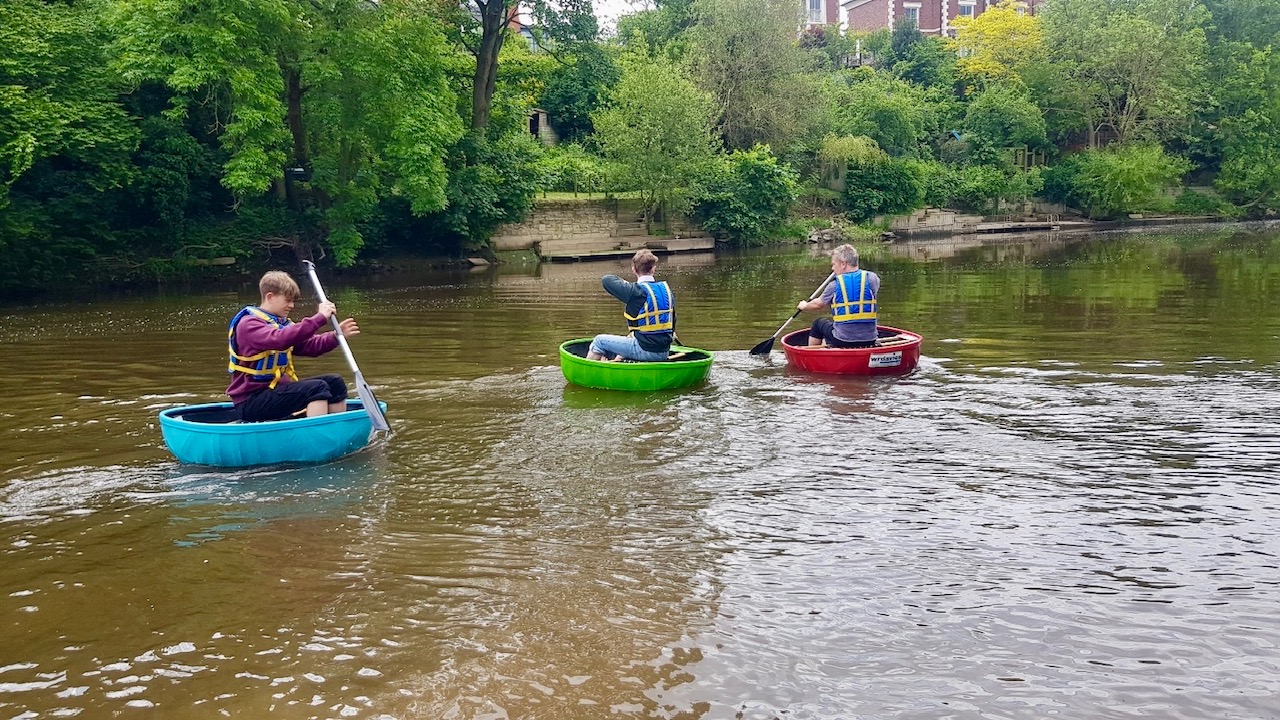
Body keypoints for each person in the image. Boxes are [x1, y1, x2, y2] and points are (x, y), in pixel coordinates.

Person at [226, 270, 361, 422]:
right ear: (270, 297)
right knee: (316, 388)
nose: (291, 306)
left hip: (274, 393)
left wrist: (336, 336)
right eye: (287, 300)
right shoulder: (249, 324)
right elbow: (279, 339)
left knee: (335, 382)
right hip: (251, 401)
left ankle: (338, 430)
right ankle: (316, 436)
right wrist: (319, 318)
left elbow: (311, 346)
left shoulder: (281, 324)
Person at [587, 249, 677, 362]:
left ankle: (586, 372)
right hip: (664, 351)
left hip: (645, 351)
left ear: (634, 270)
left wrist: (626, 285)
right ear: (654, 269)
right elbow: (673, 320)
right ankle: (618, 359)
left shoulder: (635, 291)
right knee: (631, 336)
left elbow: (607, 280)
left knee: (598, 341)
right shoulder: (666, 290)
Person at [796, 243, 880, 348]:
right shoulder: (872, 278)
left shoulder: (834, 285)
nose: (832, 268)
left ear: (843, 264)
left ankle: (811, 353)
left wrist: (804, 306)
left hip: (842, 340)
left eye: (834, 264)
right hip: (870, 339)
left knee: (818, 323)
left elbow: (818, 304)